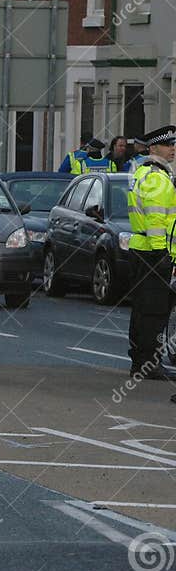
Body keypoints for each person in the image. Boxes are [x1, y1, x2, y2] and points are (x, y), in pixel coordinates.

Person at [128, 125, 176, 380]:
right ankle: (149, 363)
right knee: (154, 312)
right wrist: (162, 255)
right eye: (168, 145)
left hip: (142, 250)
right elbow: (156, 219)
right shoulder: (157, 177)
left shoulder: (144, 172)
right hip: (154, 253)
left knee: (142, 309)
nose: (173, 149)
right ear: (154, 147)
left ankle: (139, 360)